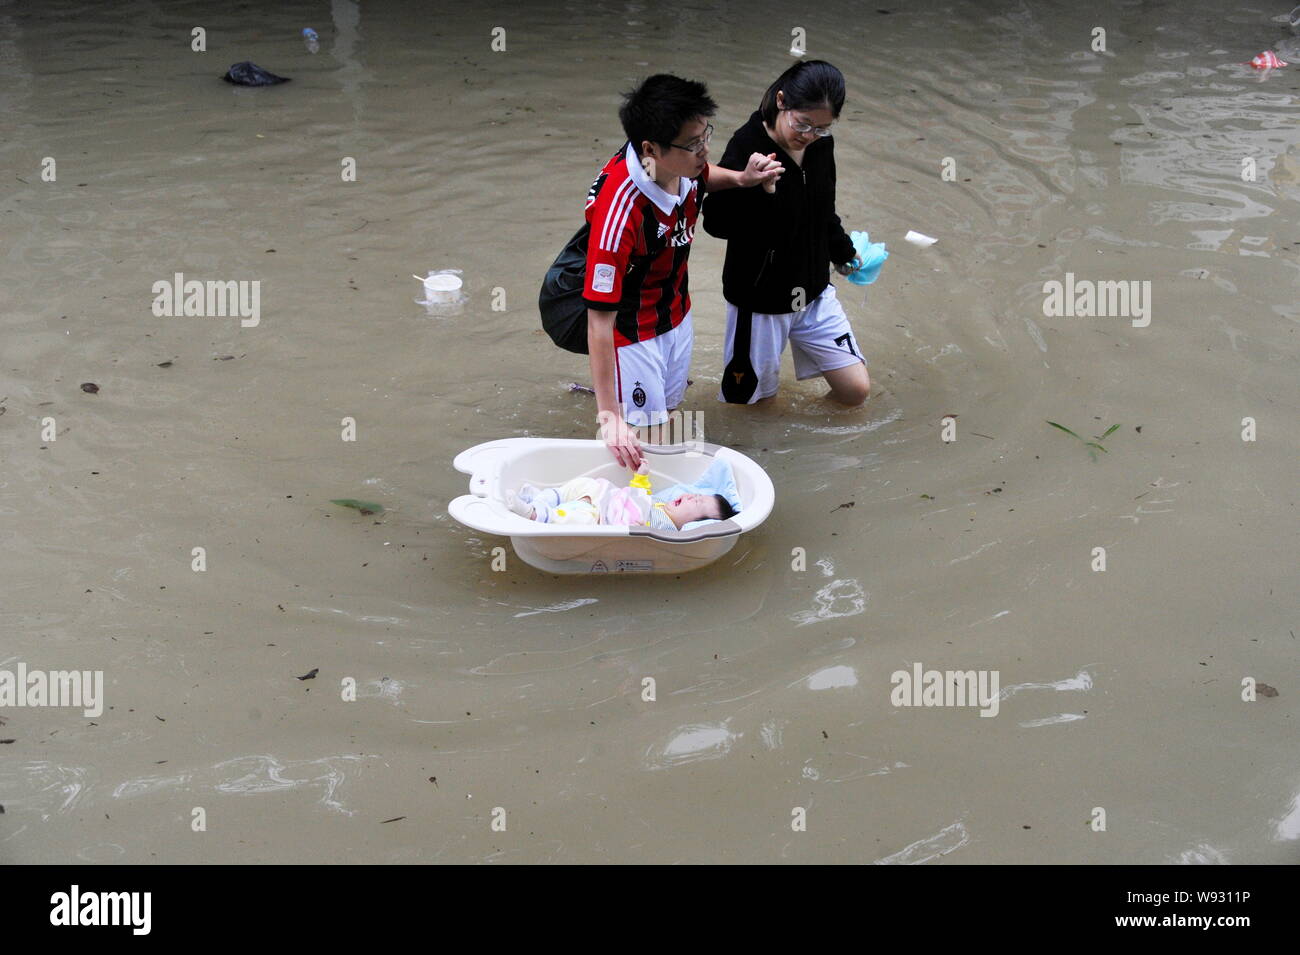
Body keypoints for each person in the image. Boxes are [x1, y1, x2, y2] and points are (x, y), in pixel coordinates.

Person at [582, 74, 784, 469]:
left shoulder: (683, 168)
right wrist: (609, 418)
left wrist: (743, 179)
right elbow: (599, 321)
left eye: (705, 136)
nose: (704, 150)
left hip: (677, 313)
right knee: (647, 446)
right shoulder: (619, 212)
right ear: (650, 149)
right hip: (633, 332)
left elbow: (704, 175)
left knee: (670, 413)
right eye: (693, 145)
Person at [702, 60, 871, 408]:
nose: (809, 135)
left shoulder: (821, 146)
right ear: (781, 101)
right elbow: (714, 222)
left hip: (813, 291)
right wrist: (754, 187)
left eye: (822, 127)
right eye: (803, 123)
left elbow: (823, 209)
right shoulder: (748, 145)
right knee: (751, 408)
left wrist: (843, 252)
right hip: (761, 300)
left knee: (855, 391)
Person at [506, 465, 735, 531]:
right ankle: (541, 500)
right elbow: (640, 495)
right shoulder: (659, 503)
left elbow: (636, 518)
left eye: (697, 503)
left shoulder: (666, 529)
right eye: (695, 495)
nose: (689, 496)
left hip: (600, 518)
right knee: (581, 485)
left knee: (576, 518)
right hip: (602, 497)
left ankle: (534, 514)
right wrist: (641, 478)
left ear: (695, 524)